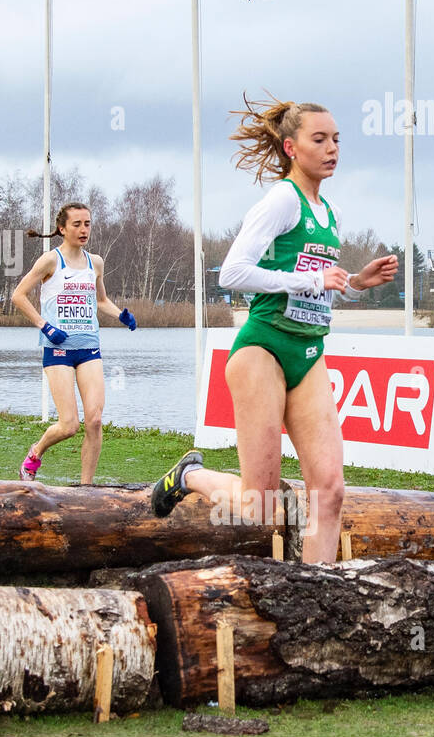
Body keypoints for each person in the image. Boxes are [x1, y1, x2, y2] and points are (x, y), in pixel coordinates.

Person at [150, 98, 397, 564]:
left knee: (330, 489)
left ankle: (318, 596)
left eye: (337, 140)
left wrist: (357, 282)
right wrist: (311, 279)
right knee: (257, 504)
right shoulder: (283, 200)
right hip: (262, 347)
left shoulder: (332, 214)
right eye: (319, 140)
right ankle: (188, 477)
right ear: (291, 147)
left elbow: (316, 284)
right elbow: (234, 273)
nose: (332, 149)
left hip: (307, 352)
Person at [10, 203, 138, 485]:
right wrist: (45, 326)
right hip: (58, 349)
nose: (83, 230)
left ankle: (86, 488)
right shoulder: (50, 262)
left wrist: (122, 315)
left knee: (94, 420)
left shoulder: (96, 262)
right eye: (77, 224)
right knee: (69, 425)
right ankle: (34, 454)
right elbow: (18, 296)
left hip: (89, 347)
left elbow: (101, 300)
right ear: (62, 228)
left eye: (88, 224)